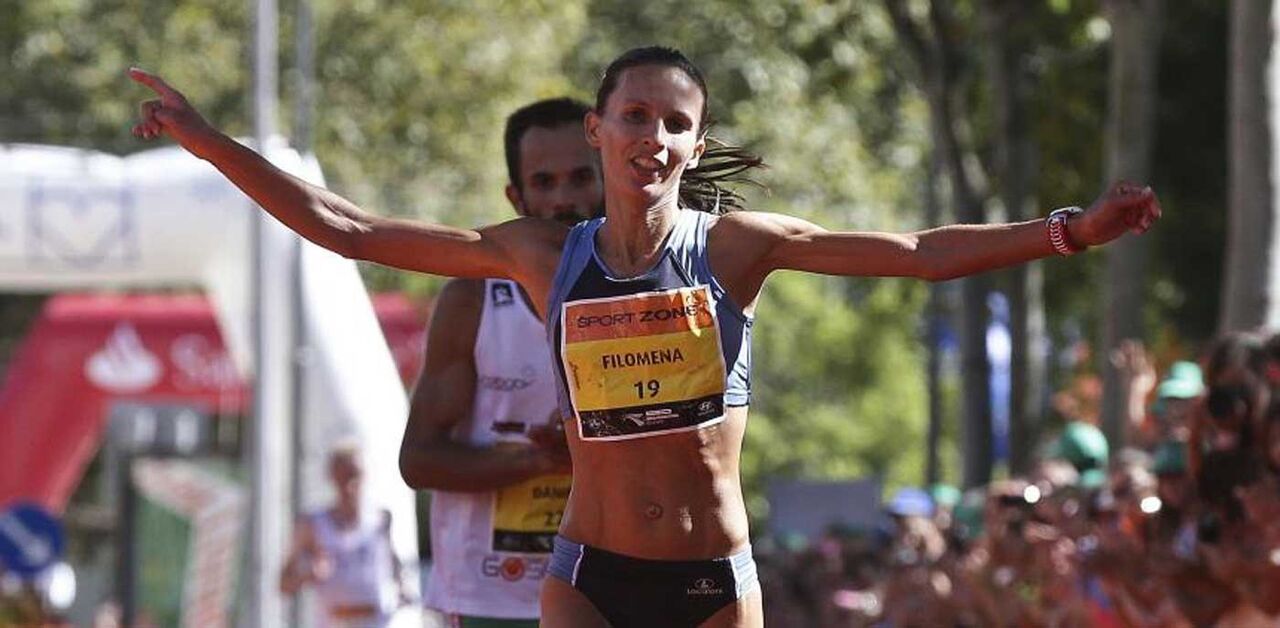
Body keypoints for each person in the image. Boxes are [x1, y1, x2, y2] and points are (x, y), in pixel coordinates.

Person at [130, 44, 1160, 628]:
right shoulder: (542, 256)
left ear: (695, 145)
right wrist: (207, 141)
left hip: (712, 578)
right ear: (599, 129)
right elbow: (348, 229)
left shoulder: (738, 249)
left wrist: (1068, 232)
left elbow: (919, 251)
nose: (652, 138)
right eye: (633, 116)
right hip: (588, 575)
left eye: (674, 124)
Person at [398, 98, 601, 627]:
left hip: (607, 594)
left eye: (582, 178)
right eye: (544, 183)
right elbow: (419, 460)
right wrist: (542, 460)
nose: (565, 200)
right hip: (492, 599)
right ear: (517, 197)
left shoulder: (649, 292)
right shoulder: (474, 298)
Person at [280, 439, 410, 628]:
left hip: (378, 621)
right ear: (331, 478)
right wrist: (308, 574)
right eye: (343, 478)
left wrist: (403, 588)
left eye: (354, 476)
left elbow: (396, 566)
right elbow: (283, 584)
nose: (349, 486)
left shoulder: (381, 520)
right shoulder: (313, 525)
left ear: (366, 475)